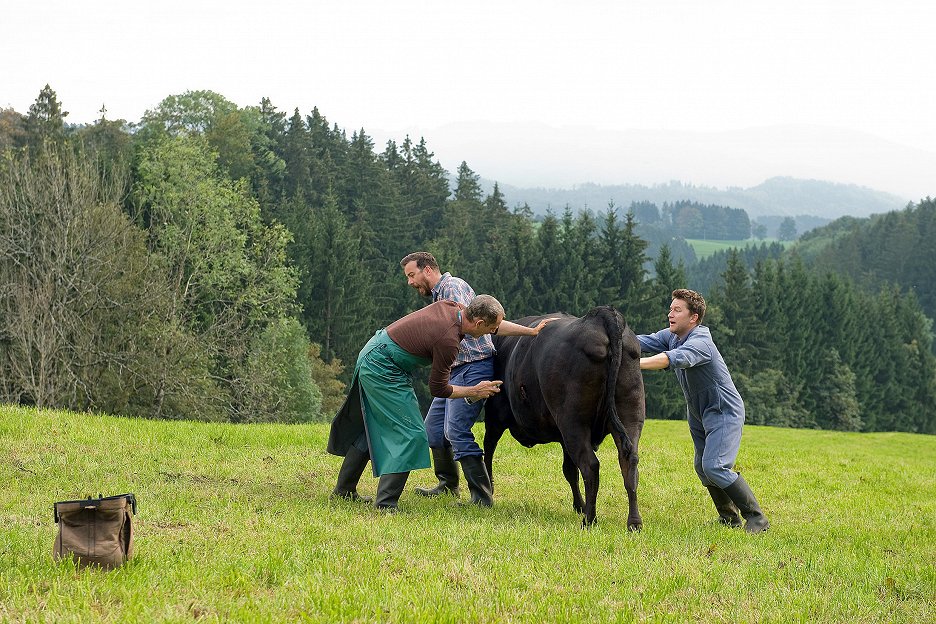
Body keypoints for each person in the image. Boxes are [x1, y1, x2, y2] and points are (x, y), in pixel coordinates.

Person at [327, 294, 552, 511]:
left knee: (376, 424)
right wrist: (474, 390)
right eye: (490, 330)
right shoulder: (448, 341)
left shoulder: (456, 309)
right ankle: (386, 504)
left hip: (375, 353)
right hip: (382, 367)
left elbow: (496, 325)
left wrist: (531, 331)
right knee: (410, 434)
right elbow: (439, 389)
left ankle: (344, 490)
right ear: (480, 322)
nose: (493, 334)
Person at [399, 251, 548, 503]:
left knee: (456, 430)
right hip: (455, 370)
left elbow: (482, 324)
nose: (410, 282)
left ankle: (481, 496)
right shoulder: (441, 294)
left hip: (472, 368)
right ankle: (447, 484)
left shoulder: (452, 290)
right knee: (433, 431)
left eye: (412, 275)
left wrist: (531, 333)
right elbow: (490, 322)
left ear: (427, 270)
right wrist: (530, 331)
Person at [637, 288, 770, 534]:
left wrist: (632, 364)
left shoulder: (701, 343)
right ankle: (729, 518)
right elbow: (639, 341)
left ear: (694, 317)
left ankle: (757, 518)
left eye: (677, 310)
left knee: (715, 466)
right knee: (703, 467)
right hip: (698, 412)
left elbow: (669, 359)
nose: (670, 314)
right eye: (670, 309)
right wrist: (607, 338)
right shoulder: (673, 336)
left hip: (723, 411)